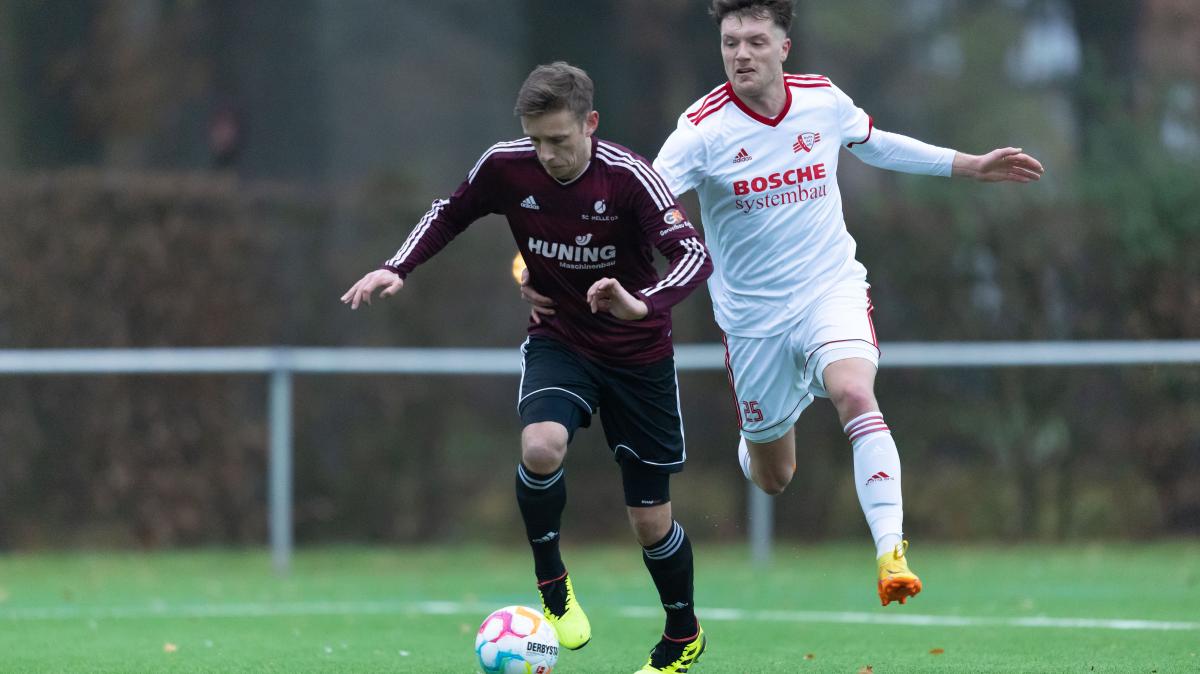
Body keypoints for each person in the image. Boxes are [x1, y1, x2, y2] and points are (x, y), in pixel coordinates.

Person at [522, 0, 1044, 608]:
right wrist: (556, 269)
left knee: (855, 393)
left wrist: (970, 165)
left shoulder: (822, 100)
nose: (741, 54)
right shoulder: (702, 131)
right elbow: (634, 207)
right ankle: (760, 434)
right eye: (730, 43)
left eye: (755, 41)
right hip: (753, 324)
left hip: (829, 289)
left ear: (783, 48)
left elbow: (876, 144)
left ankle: (891, 553)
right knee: (775, 477)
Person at [342, 62, 712, 673]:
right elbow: (450, 212)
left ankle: (682, 635)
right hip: (561, 340)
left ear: (590, 124)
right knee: (541, 446)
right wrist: (396, 266)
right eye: (535, 139)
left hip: (638, 355)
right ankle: (551, 581)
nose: (546, 155)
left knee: (650, 522)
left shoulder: (630, 178)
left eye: (559, 140)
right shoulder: (505, 165)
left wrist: (639, 303)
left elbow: (693, 255)